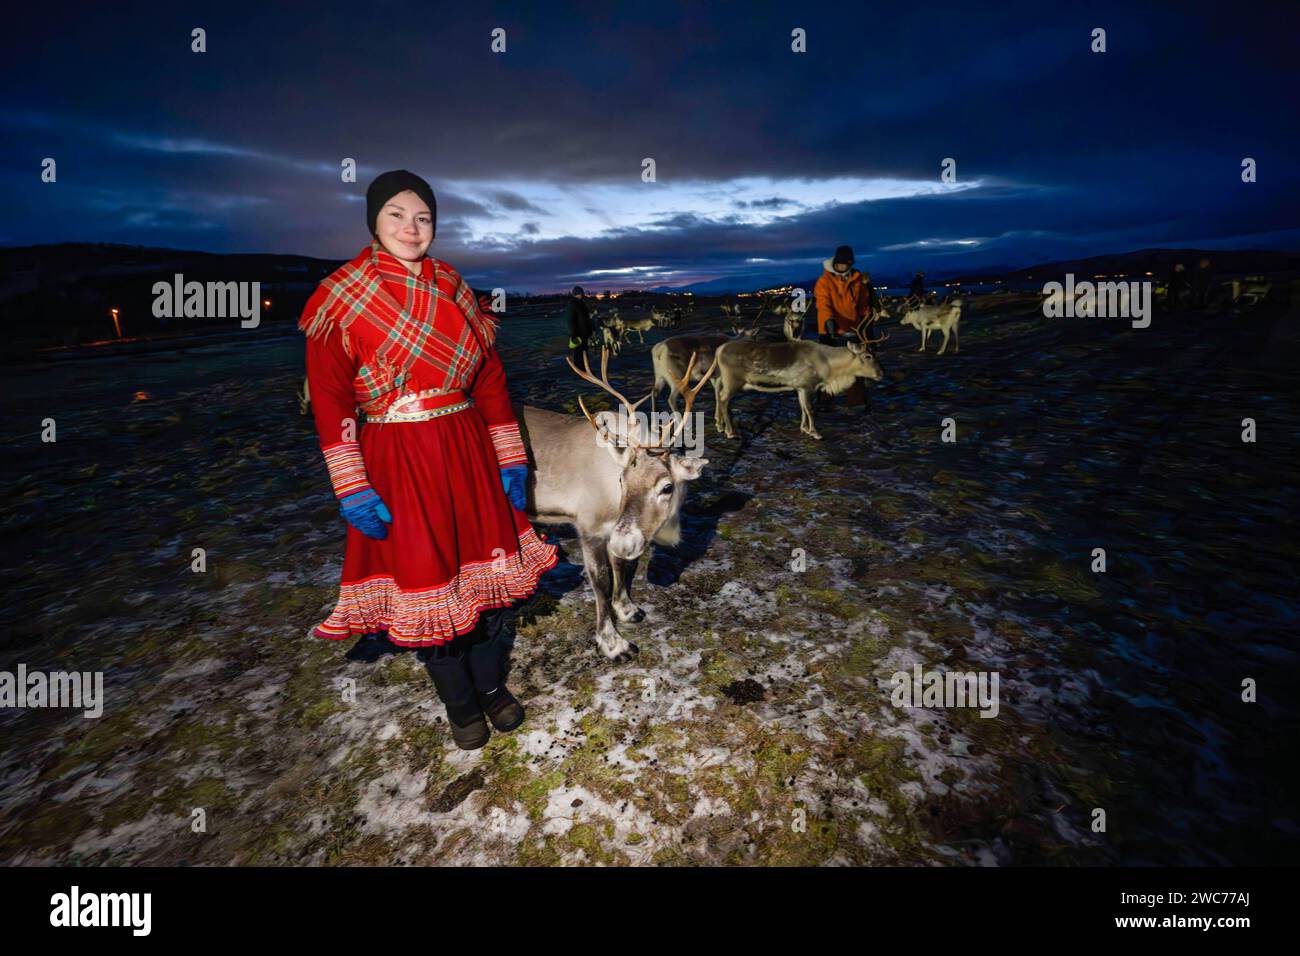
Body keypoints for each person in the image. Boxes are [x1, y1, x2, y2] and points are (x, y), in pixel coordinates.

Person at [300, 169, 559, 750]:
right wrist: (350, 481)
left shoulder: (455, 287)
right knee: (429, 580)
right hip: (396, 456)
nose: (411, 228)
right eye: (396, 214)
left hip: (467, 447)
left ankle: (492, 690)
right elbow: (331, 398)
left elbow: (490, 379)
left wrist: (509, 455)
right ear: (373, 221)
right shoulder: (342, 296)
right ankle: (461, 705)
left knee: (490, 579)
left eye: (423, 217)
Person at [812, 245, 872, 410]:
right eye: (837, 264)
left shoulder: (857, 280)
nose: (840, 267)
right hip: (829, 331)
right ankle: (825, 400)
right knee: (828, 368)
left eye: (843, 264)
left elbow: (862, 304)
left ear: (850, 264)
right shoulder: (824, 281)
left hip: (853, 329)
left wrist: (867, 321)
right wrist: (828, 321)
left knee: (856, 365)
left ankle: (856, 401)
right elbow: (823, 303)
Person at [566, 285, 594, 352]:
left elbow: (586, 318)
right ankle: (578, 362)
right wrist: (573, 334)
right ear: (577, 294)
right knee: (578, 352)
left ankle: (584, 362)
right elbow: (570, 320)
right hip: (578, 335)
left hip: (584, 333)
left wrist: (590, 330)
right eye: (581, 293)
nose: (583, 294)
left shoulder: (581, 303)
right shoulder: (572, 305)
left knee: (584, 351)